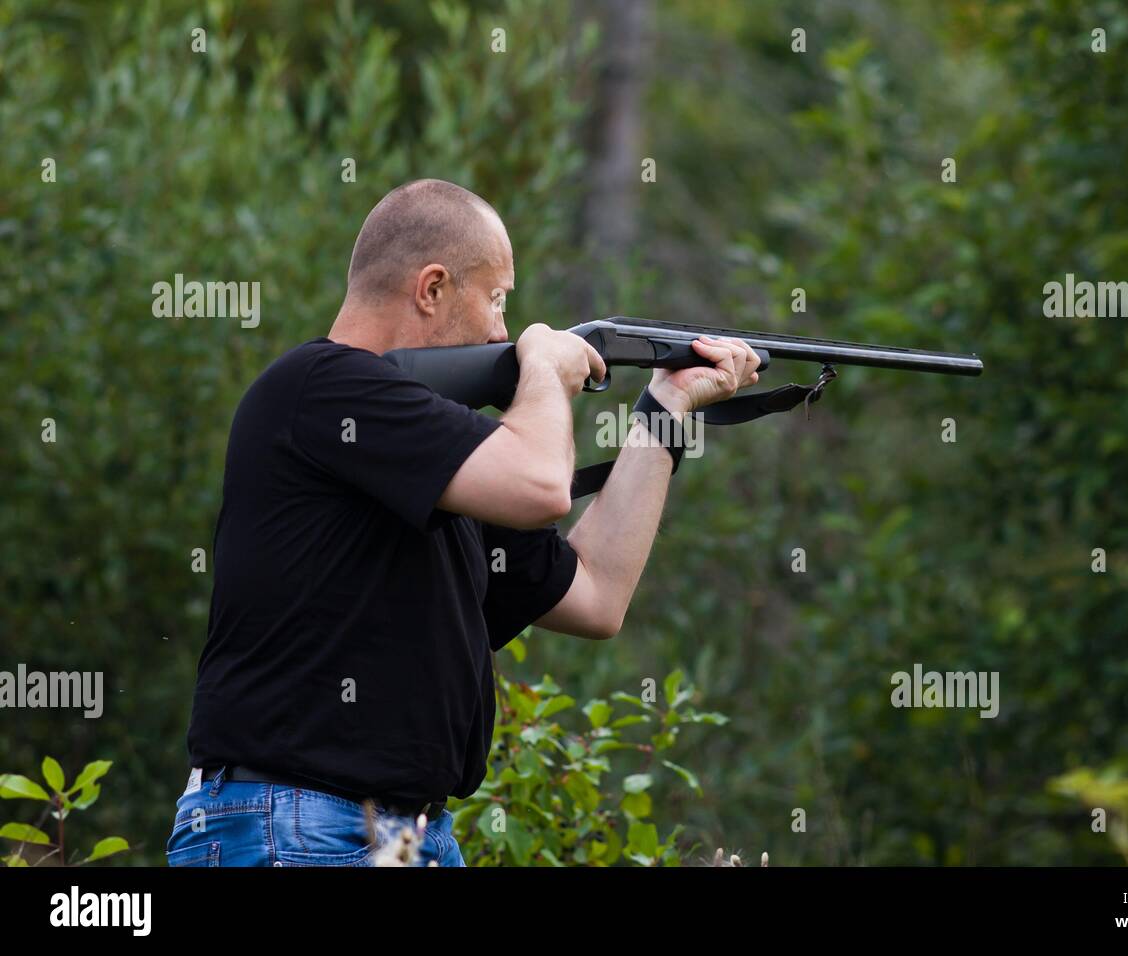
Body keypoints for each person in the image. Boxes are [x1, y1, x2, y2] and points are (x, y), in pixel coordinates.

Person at [164, 178, 761, 866]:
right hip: (297, 826)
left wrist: (665, 410)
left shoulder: (440, 451)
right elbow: (542, 486)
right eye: (498, 298)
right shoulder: (322, 387)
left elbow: (597, 595)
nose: (503, 330)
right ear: (432, 288)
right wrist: (543, 365)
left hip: (410, 837)